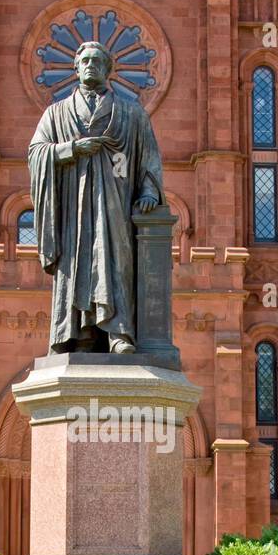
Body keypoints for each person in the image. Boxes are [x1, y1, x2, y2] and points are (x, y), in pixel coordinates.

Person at [28, 41, 163, 356]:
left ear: (108, 69)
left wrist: (148, 190)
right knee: (76, 265)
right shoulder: (55, 113)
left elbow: (149, 156)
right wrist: (72, 149)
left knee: (115, 262)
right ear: (75, 68)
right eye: (85, 60)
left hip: (116, 203)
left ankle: (119, 333)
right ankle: (80, 335)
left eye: (97, 61)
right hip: (72, 208)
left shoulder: (131, 113)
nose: (91, 65)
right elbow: (36, 152)